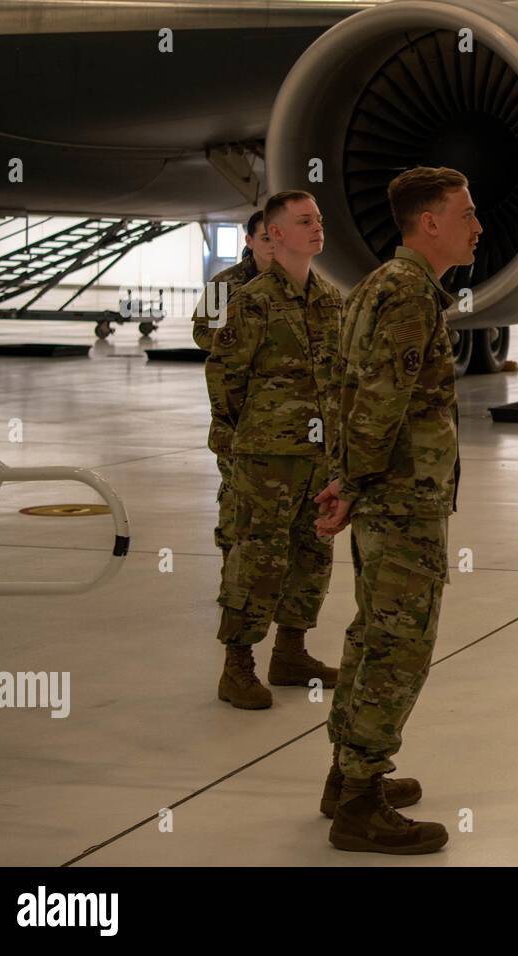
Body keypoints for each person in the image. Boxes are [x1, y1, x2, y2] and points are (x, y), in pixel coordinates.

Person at [313, 166, 479, 854]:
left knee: (370, 635)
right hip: (403, 498)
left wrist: (343, 478)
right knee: (398, 647)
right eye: (466, 213)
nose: (478, 224)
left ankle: (347, 774)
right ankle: (359, 803)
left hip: (385, 492)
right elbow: (380, 400)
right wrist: (349, 483)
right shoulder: (410, 295)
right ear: (430, 223)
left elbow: (342, 388)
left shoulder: (377, 285)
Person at [205, 191, 343, 709]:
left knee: (312, 553)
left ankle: (291, 652)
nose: (317, 227)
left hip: (317, 455)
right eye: (305, 220)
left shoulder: (331, 299)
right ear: (276, 233)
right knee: (257, 554)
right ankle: (237, 665)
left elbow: (339, 378)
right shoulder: (252, 300)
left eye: (319, 218)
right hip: (264, 457)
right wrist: (245, 438)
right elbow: (224, 377)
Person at [194, 210, 273, 570]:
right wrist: (243, 342)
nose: (273, 245)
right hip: (237, 410)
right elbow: (200, 333)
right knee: (237, 493)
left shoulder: (301, 282)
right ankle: (233, 567)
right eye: (265, 238)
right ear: (250, 241)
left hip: (287, 415)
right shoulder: (224, 284)